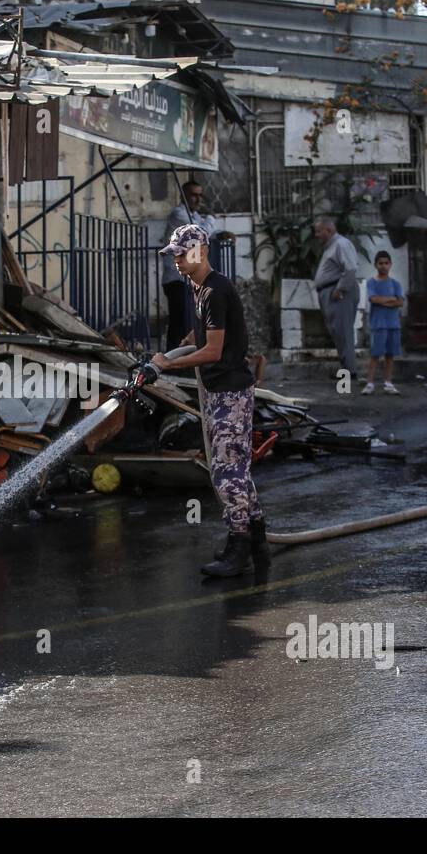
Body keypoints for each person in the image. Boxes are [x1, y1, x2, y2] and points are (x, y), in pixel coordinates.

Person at [152, 224, 264, 578]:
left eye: (181, 255)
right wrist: (187, 340)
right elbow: (205, 335)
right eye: (174, 257)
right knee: (236, 470)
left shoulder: (216, 290)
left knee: (227, 472)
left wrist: (168, 364)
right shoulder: (198, 288)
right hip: (221, 390)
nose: (177, 263)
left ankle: (239, 544)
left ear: (200, 251)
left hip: (230, 392)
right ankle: (257, 538)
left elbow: (213, 351)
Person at [160, 181, 232, 351]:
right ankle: (172, 359)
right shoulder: (179, 214)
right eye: (194, 195)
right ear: (183, 196)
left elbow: (210, 233)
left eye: (200, 195)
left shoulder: (195, 216)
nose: (198, 199)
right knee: (179, 321)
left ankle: (184, 359)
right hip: (176, 278)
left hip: (187, 278)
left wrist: (222, 234)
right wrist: (211, 217)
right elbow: (201, 233)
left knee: (190, 321)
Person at [312, 215, 361, 380]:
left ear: (329, 230)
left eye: (319, 231)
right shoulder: (330, 246)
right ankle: (346, 369)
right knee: (337, 332)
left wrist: (340, 289)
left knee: (343, 332)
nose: (316, 235)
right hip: (330, 292)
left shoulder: (341, 244)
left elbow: (351, 269)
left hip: (339, 293)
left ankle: (349, 372)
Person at [362, 250, 404, 396]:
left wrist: (385, 300)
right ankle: (370, 383)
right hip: (378, 323)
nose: (384, 266)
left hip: (393, 324)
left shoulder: (396, 283)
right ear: (375, 265)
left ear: (390, 264)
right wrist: (390, 299)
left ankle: (388, 382)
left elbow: (400, 302)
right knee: (375, 354)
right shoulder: (371, 282)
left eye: (386, 263)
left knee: (390, 355)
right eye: (381, 263)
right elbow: (374, 299)